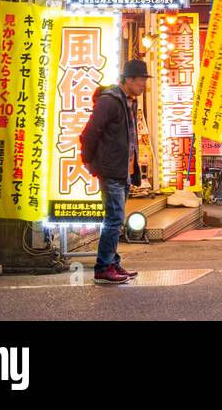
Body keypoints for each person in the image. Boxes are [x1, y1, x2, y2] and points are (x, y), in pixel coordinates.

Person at [80, 60, 149, 285]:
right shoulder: (109, 101)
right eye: (141, 80)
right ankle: (103, 267)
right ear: (128, 79)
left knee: (116, 219)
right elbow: (89, 133)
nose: (144, 85)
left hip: (123, 170)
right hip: (111, 170)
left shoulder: (130, 101)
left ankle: (112, 263)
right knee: (114, 219)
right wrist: (89, 161)